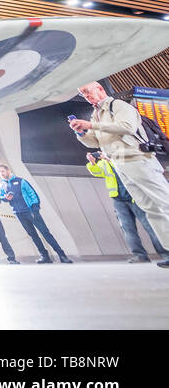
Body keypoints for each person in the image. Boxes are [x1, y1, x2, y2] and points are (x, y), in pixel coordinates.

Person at [71, 82, 169, 267]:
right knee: (150, 208)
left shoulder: (118, 106)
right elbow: (95, 143)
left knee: (164, 202)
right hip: (120, 163)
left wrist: (92, 124)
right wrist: (82, 133)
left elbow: (127, 127)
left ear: (100, 89)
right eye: (82, 94)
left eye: (87, 91)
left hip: (138, 159)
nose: (85, 96)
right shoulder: (96, 114)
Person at [86, 152, 166, 262]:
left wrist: (110, 158)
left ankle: (165, 253)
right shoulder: (103, 163)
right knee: (128, 229)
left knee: (150, 226)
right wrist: (92, 163)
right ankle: (139, 255)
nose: (101, 154)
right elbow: (97, 172)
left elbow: (128, 169)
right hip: (119, 200)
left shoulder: (121, 159)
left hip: (135, 198)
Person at [0, 163, 72, 263]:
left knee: (45, 233)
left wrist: (35, 209)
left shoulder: (21, 181)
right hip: (18, 214)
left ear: (8, 170)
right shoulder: (2, 185)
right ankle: (45, 257)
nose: (1, 173)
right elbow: (2, 197)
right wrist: (5, 198)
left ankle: (62, 256)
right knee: (33, 235)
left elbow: (32, 194)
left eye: (3, 171)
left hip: (30, 211)